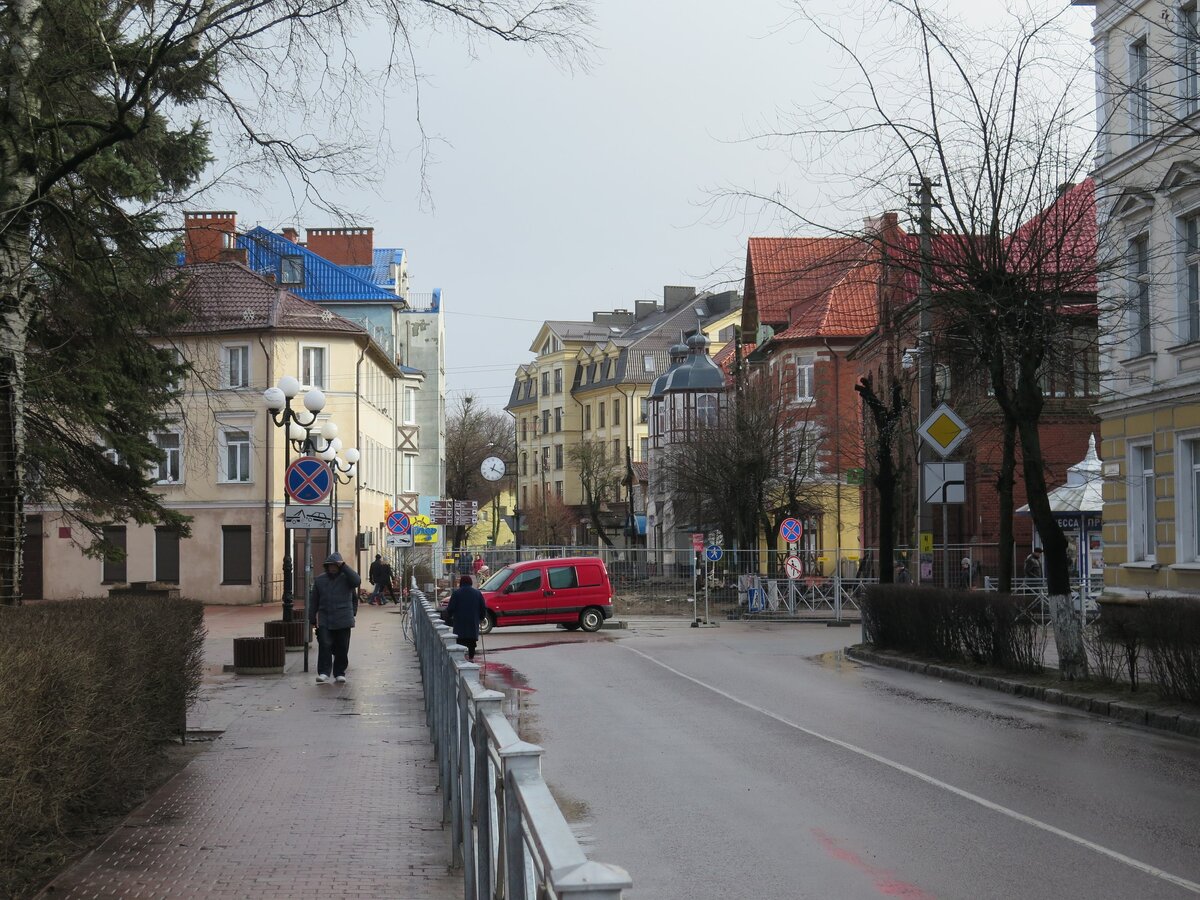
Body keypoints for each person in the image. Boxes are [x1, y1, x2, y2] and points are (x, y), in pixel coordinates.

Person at [308, 552, 361, 684]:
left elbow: (357, 581)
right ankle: (324, 672)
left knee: (342, 647)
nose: (332, 568)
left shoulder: (347, 579)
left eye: (335, 565)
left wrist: (344, 566)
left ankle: (339, 673)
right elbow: (314, 600)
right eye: (330, 565)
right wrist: (312, 618)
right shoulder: (320, 580)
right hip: (325, 618)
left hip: (343, 618)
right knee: (325, 644)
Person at [444, 574, 487, 661]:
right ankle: (471, 659)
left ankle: (461, 661)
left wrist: (448, 617)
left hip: (460, 625)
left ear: (461, 583)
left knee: (460, 644)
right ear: (470, 583)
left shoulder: (456, 593)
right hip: (472, 624)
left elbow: (450, 608)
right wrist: (481, 618)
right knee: (472, 644)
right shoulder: (477, 593)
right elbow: (483, 608)